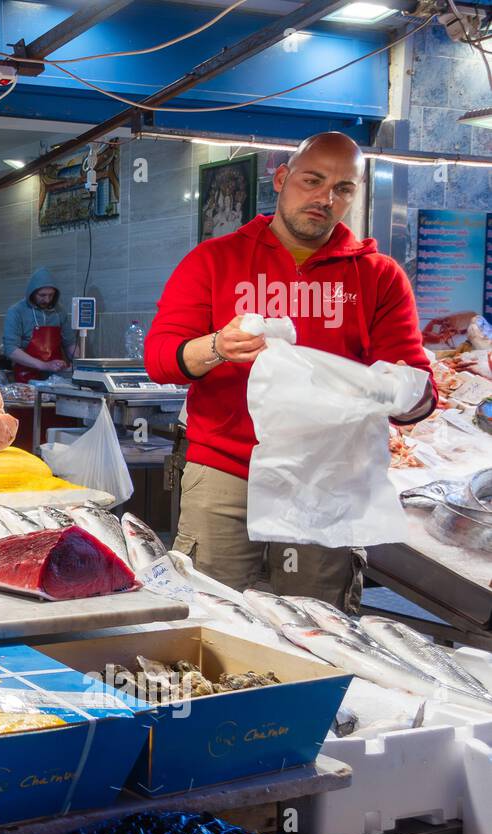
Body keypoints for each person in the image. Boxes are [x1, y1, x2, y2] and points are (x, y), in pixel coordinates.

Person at [144, 132, 435, 610]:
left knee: (315, 623)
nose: (325, 198)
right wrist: (217, 345)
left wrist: (407, 392)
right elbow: (160, 359)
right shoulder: (215, 260)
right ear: (281, 179)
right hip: (226, 472)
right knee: (210, 615)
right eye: (312, 180)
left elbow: (416, 396)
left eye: (342, 188)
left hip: (329, 482)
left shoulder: (379, 276)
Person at [3, 267, 73, 381]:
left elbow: (70, 344)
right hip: (26, 377)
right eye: (42, 295)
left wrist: (79, 365)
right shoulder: (16, 311)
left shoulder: (60, 311)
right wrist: (44, 365)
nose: (47, 300)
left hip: (56, 378)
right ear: (32, 292)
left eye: (51, 295)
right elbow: (11, 350)